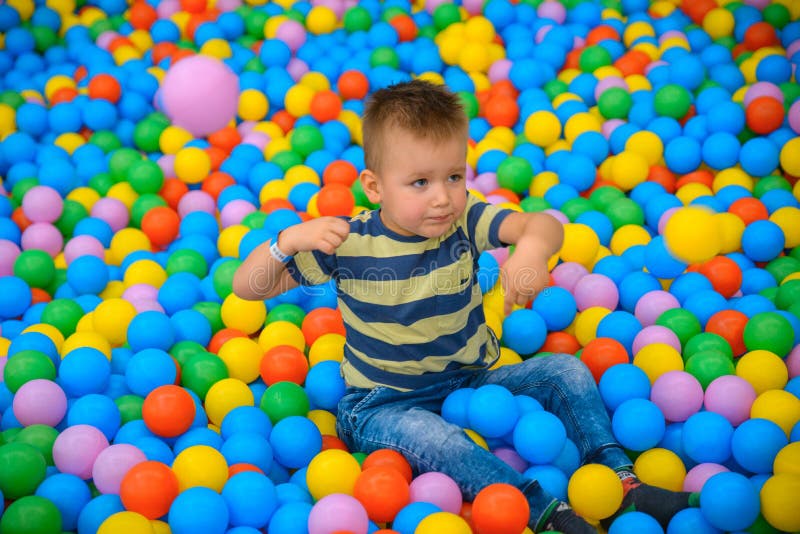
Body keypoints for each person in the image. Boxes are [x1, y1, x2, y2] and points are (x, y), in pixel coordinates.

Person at [233, 80, 695, 533]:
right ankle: (542, 511)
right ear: (374, 188)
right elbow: (247, 286)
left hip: (471, 379)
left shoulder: (465, 218)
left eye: (454, 176)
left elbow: (543, 226)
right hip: (383, 404)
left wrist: (531, 250)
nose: (442, 197)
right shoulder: (349, 242)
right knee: (439, 440)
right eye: (420, 182)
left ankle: (620, 479)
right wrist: (286, 241)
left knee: (565, 372)